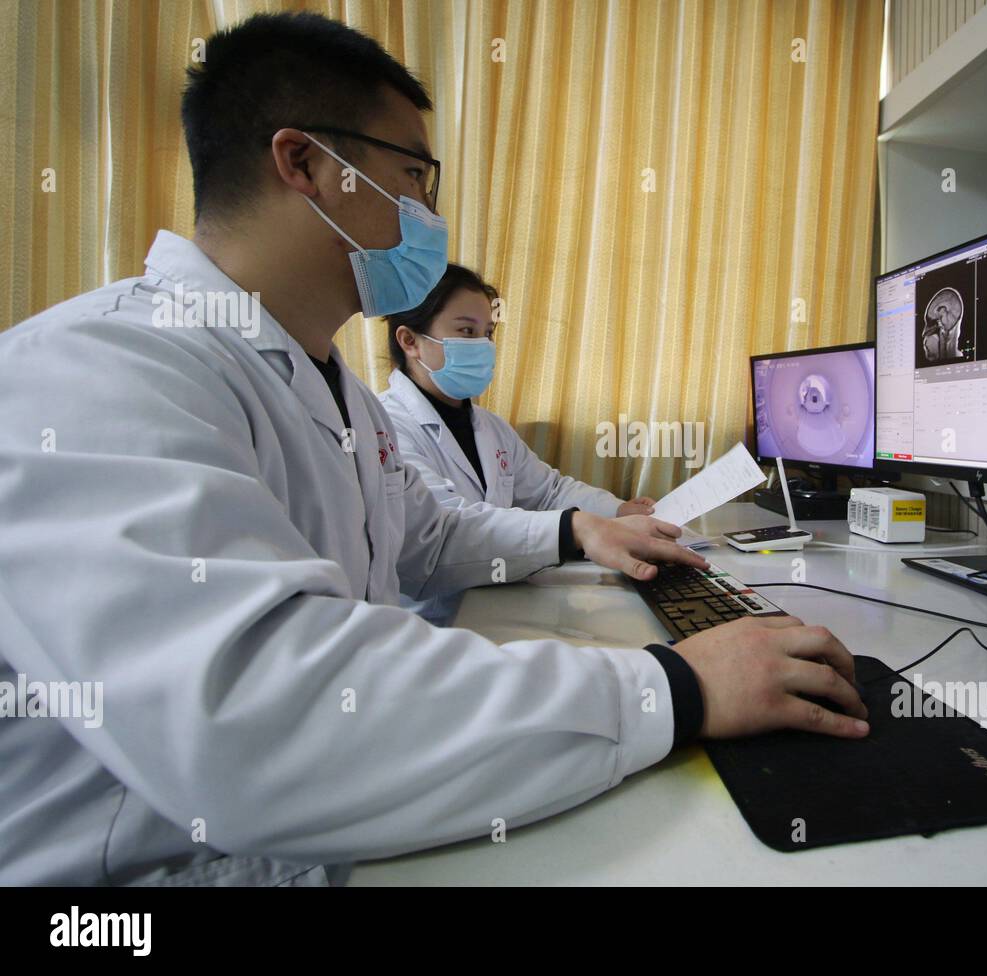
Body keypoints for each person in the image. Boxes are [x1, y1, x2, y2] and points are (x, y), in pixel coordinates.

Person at [0, 11, 868, 886]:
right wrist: (676, 690)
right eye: (414, 176)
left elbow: (433, 536)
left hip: (298, 838)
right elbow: (259, 720)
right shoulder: (98, 371)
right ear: (303, 163)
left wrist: (580, 534)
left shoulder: (329, 386)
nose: (431, 215)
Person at [379, 264, 656, 519]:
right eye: (466, 330)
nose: (482, 345)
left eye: (487, 333)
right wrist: (574, 530)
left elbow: (549, 492)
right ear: (409, 340)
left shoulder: (491, 427)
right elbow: (450, 522)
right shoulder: (386, 427)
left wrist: (619, 510)